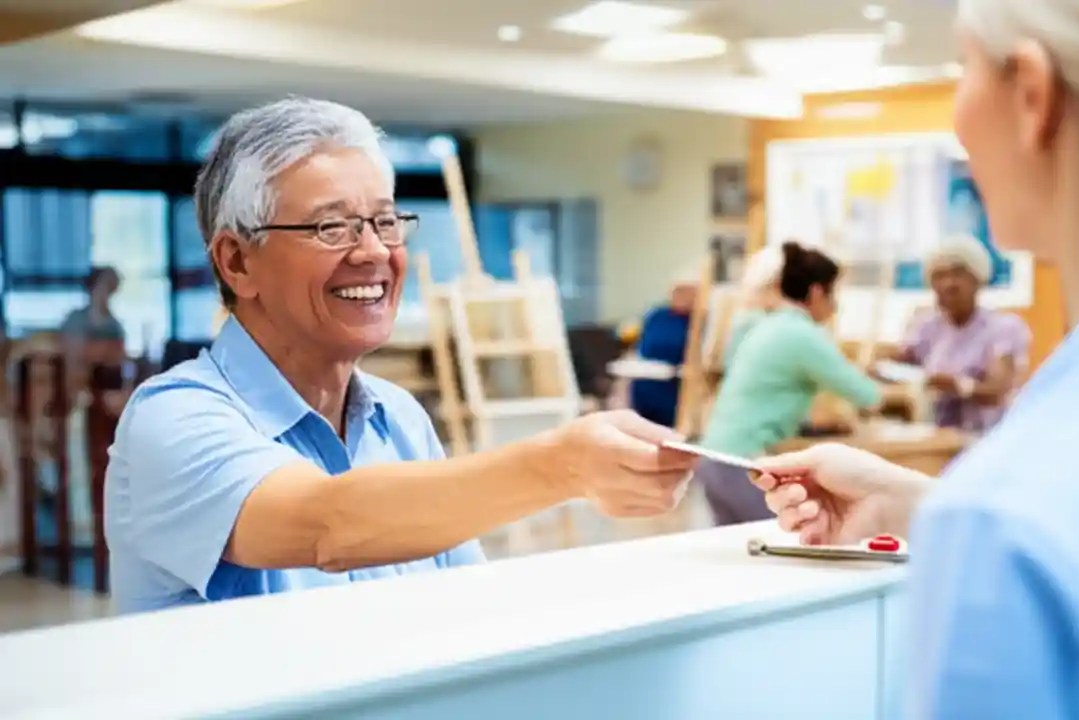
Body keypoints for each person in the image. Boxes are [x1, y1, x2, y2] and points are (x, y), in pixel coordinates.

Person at [753, 0, 1079, 716]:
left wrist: (978, 533)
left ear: (1033, 94)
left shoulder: (1013, 519)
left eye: (964, 66)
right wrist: (923, 506)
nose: (957, 113)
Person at [106, 98, 696, 614]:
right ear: (237, 261)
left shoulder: (400, 417)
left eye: (385, 222)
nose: (372, 252)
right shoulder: (172, 419)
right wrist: (563, 465)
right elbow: (327, 526)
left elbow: (459, 610)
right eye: (331, 227)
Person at [697, 242, 881, 526]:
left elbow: (769, 394)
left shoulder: (767, 325)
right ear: (818, 292)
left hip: (716, 457)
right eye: (835, 294)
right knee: (782, 547)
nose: (836, 306)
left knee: (743, 560)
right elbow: (866, 395)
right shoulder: (802, 335)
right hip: (744, 462)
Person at [892, 235, 1030, 433]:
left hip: (986, 436)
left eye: (958, 274)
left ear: (978, 279)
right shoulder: (927, 325)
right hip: (937, 436)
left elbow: (997, 390)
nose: (949, 284)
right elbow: (901, 361)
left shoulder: (1003, 328)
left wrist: (959, 386)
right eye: (939, 276)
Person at [628, 273, 697, 427]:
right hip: (646, 380)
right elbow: (641, 344)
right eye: (676, 291)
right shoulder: (657, 315)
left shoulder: (697, 321)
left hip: (674, 387)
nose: (679, 296)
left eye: (685, 291)